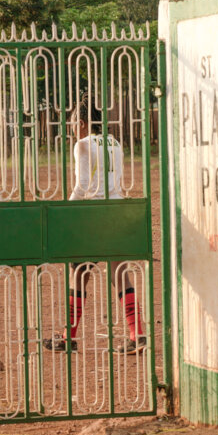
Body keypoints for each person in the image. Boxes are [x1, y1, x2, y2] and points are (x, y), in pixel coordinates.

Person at [42, 106, 146, 355]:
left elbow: (82, 185)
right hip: (116, 211)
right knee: (119, 272)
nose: (71, 128)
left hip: (93, 214)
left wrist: (66, 212)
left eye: (72, 123)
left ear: (82, 122)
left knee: (78, 272)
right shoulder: (115, 143)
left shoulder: (82, 145)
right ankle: (137, 334)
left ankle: (68, 336)